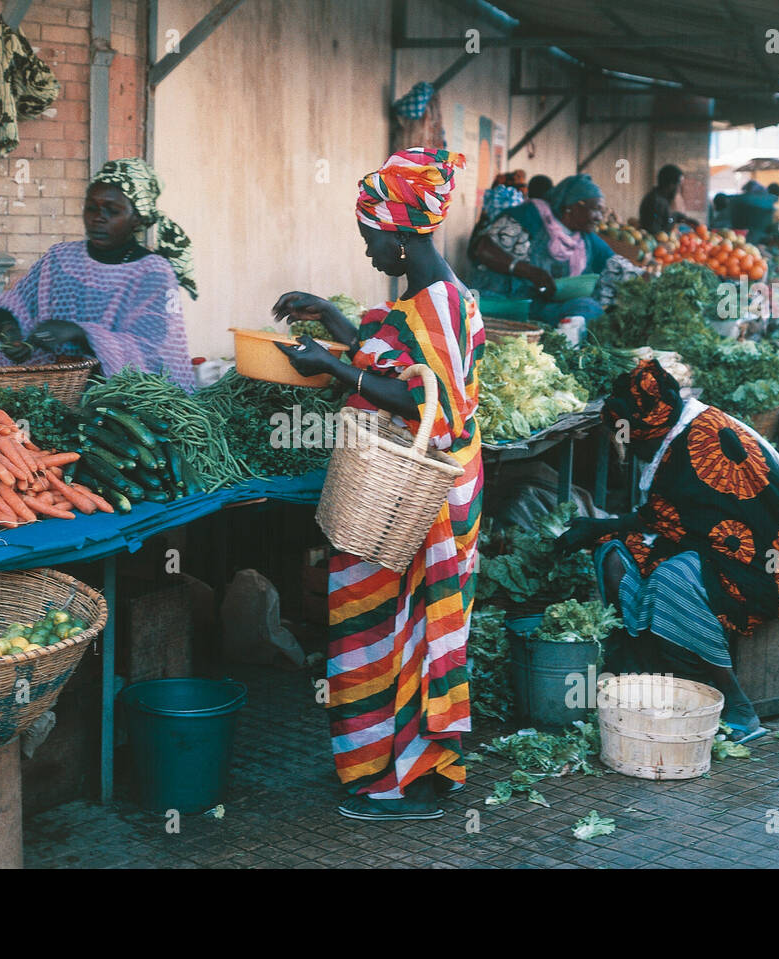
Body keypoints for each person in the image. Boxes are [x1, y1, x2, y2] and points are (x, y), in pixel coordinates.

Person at [271, 147, 484, 821]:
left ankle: (400, 781)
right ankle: (391, 768)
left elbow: (434, 405)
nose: (368, 254)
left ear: (400, 235)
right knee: (388, 626)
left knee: (397, 632)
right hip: (397, 491)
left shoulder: (445, 303)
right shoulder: (422, 296)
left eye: (370, 241)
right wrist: (328, 319)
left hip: (424, 501)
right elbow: (395, 343)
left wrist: (334, 371)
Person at [559, 359, 779, 742]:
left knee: (671, 582)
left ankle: (733, 702)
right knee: (615, 555)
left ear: (649, 432)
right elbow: (672, 519)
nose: (629, 449)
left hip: (776, 562)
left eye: (629, 439)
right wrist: (602, 530)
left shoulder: (698, 444)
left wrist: (602, 525)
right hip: (725, 543)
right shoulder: (683, 428)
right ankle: (648, 671)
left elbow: (684, 519)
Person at [0, 157, 197, 391]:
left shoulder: (152, 273)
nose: (98, 217)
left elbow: (152, 351)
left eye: (112, 211)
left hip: (120, 400)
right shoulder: (60, 259)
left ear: (137, 218)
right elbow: (11, 307)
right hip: (53, 390)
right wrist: (10, 333)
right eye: (91, 208)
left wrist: (80, 332)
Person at [469, 173, 613, 326]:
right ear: (573, 206)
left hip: (539, 306)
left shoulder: (586, 238)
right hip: (502, 299)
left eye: (602, 212)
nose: (599, 218)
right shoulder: (531, 215)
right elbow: (483, 248)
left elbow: (615, 265)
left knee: (588, 308)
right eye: (596, 209)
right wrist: (527, 271)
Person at [638, 164, 692, 235]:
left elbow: (667, 217)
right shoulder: (656, 202)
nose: (679, 189)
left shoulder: (658, 197)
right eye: (678, 185)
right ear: (671, 185)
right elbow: (655, 232)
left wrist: (683, 218)